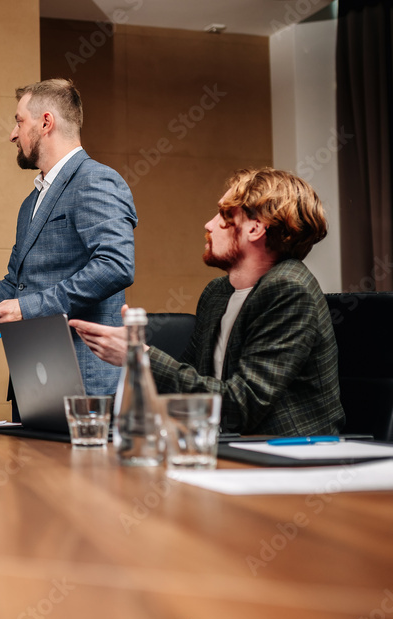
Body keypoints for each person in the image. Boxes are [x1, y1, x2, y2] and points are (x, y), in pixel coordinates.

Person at [70, 168, 344, 436]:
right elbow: (191, 386)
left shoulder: (289, 290)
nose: (209, 224)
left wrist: (140, 357)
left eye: (224, 214)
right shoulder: (217, 293)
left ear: (255, 228)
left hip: (293, 458)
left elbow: (240, 406)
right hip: (227, 448)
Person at [0, 79, 137, 401]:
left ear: (46, 122)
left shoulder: (96, 179)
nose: (13, 134)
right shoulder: (32, 200)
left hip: (86, 378)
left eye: (18, 121)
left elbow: (115, 267)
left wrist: (28, 308)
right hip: (35, 375)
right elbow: (17, 283)